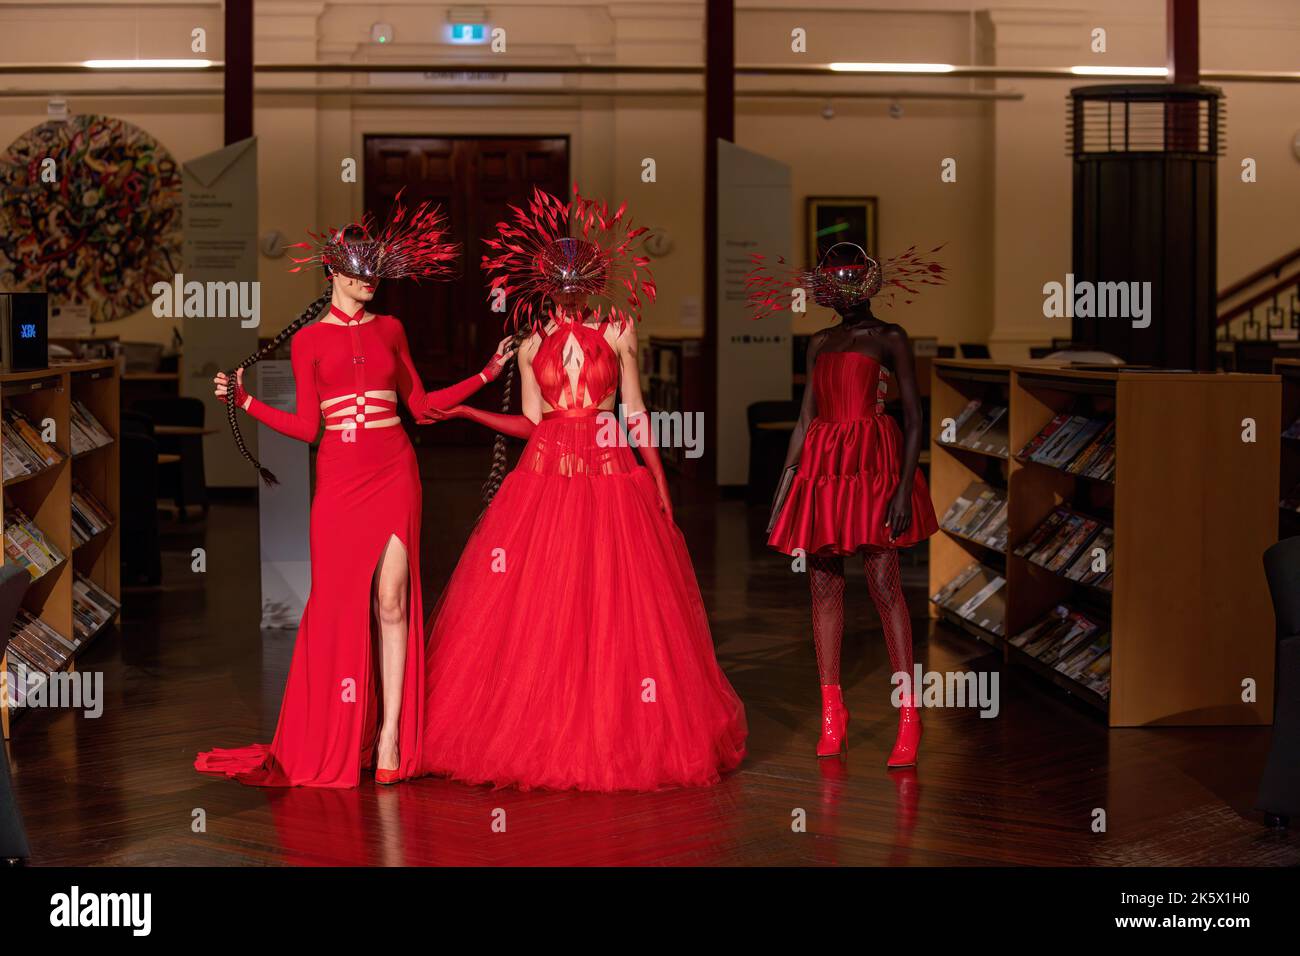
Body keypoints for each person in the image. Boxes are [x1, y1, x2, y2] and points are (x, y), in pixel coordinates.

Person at [416, 186, 747, 791]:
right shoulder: (532, 342)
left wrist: (659, 476)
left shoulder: (619, 330)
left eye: (579, 280)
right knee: (544, 603)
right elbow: (535, 423)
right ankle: (544, 722)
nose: (570, 290)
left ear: (593, 281)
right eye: (560, 281)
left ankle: (615, 725)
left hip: (610, 473)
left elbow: (636, 409)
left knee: (615, 601)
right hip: (546, 474)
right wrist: (470, 416)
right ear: (546, 282)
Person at [196, 200, 513, 787]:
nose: (368, 280)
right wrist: (244, 403)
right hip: (341, 481)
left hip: (396, 470)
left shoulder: (393, 329)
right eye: (357, 271)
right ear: (334, 274)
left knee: (393, 602)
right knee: (340, 610)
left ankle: (390, 735)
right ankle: (340, 736)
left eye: (374, 272)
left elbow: (419, 407)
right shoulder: (309, 342)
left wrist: (486, 376)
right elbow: (308, 427)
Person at [755, 242, 944, 767]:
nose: (838, 289)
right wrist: (787, 483)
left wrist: (904, 488)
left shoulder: (889, 337)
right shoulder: (818, 341)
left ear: (865, 283)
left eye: (847, 279)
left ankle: (910, 714)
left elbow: (914, 418)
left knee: (885, 585)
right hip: (823, 465)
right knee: (823, 588)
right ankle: (832, 714)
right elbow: (804, 419)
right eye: (831, 281)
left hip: (873, 463)